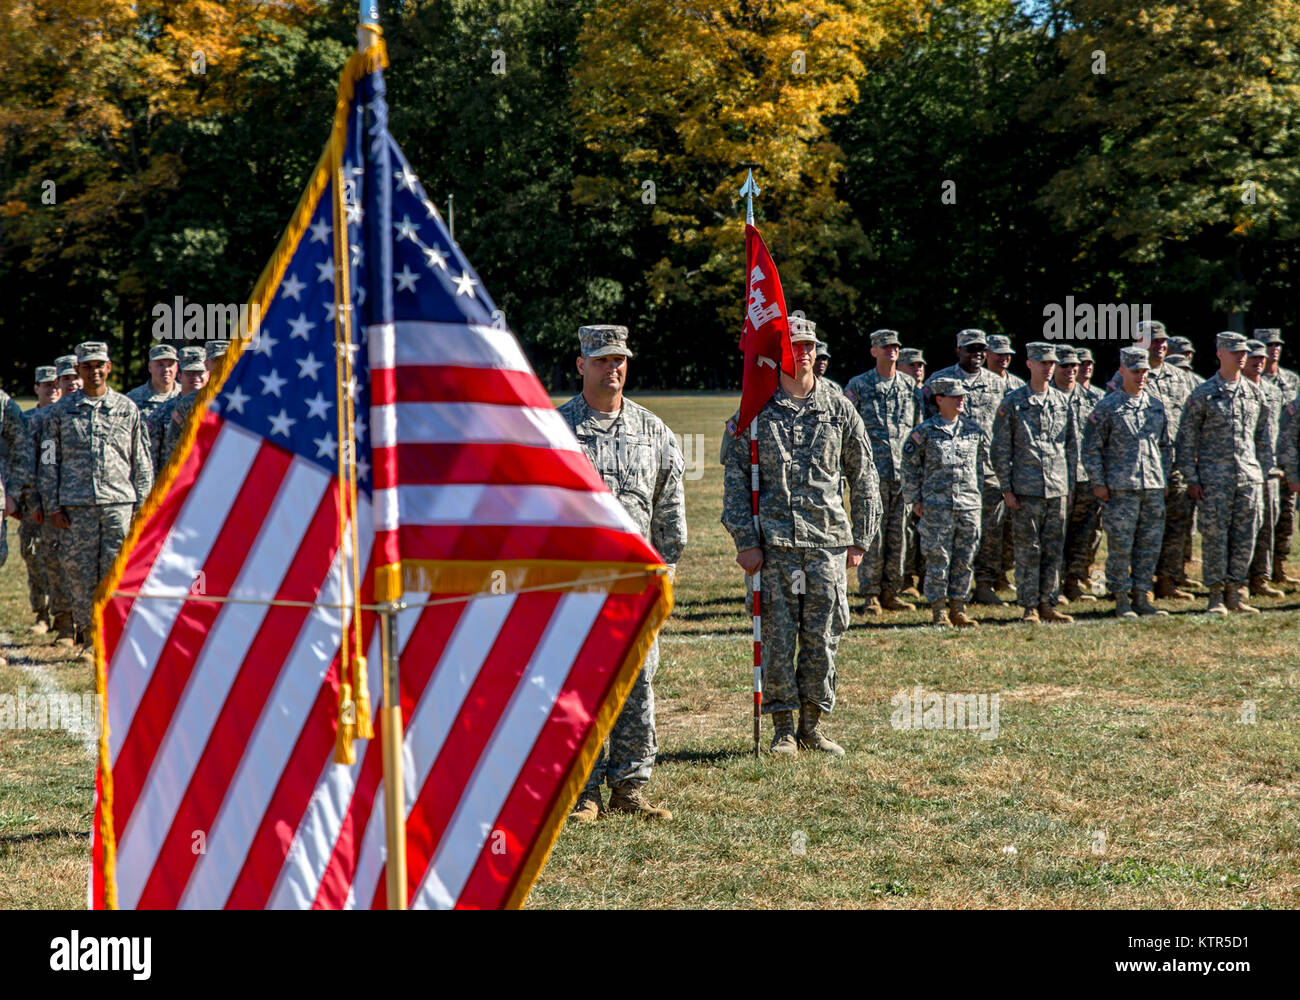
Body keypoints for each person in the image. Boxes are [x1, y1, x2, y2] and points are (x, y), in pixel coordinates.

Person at [722, 316, 879, 756]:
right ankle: (783, 730)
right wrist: (745, 541)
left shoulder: (839, 407)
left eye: (809, 345)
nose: (804, 352)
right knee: (777, 637)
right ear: (779, 354)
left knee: (823, 637)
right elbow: (735, 478)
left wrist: (860, 537)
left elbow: (864, 474)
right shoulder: (756, 409)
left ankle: (813, 725)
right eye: (795, 346)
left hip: (827, 544)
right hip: (773, 547)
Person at [560, 325, 686, 821]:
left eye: (619, 360)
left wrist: (668, 565)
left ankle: (630, 787)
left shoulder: (652, 429)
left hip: (638, 581)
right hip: (578, 583)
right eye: (601, 360)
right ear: (581, 364)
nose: (613, 368)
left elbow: (668, 503)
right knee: (585, 685)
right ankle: (585, 791)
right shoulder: (555, 428)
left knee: (637, 683)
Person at [35, 341, 153, 655]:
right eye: (87, 366)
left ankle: (114, 637)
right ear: (78, 370)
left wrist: (142, 508)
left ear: (109, 367)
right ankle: (88, 637)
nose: (94, 371)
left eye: (99, 364)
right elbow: (48, 461)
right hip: (75, 508)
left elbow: (141, 461)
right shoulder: (60, 412)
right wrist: (53, 504)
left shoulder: (127, 408)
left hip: (118, 505)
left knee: (116, 572)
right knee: (79, 574)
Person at [1176, 332, 1272, 614]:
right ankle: (1216, 595)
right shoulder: (1203, 394)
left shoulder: (1255, 392)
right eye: (1234, 351)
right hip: (1214, 481)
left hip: (1248, 479)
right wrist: (1191, 478)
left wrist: (1263, 474)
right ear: (1220, 354)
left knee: (1245, 538)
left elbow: (1264, 439)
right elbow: (1187, 440)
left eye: (1243, 351)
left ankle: (1235, 593)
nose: (1242, 356)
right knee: (1216, 538)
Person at [1083, 347, 1175, 618]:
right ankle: (1121, 597)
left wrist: (1164, 477)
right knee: (1121, 546)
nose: (1141, 376)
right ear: (1122, 371)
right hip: (1121, 489)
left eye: (1145, 371)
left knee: (1149, 545)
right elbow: (1091, 449)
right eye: (1135, 371)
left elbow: (1166, 446)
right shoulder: (1107, 406)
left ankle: (1142, 596)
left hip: (1152, 488)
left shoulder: (1155, 405)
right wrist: (1099, 483)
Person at [1108, 321, 1196, 600]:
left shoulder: (1179, 376)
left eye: (1162, 341)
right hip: (1138, 466)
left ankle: (1168, 581)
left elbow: (1187, 421)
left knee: (1174, 524)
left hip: (1173, 464)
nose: (1159, 345)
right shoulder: (1123, 378)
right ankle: (1132, 587)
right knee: (1135, 530)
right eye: (1153, 341)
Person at [992, 342, 1078, 623]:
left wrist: (1070, 484)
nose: (1048, 367)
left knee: (1054, 549)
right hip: (1025, 489)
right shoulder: (1013, 402)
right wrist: (1006, 488)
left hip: (1057, 488)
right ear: (1029, 364)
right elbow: (1001, 449)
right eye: (1043, 363)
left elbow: (1071, 446)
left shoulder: (1062, 402)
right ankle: (1029, 605)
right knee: (1028, 549)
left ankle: (1048, 603)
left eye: (1051, 363)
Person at [923, 329, 1008, 605]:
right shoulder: (940, 380)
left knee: (989, 531)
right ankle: (944, 591)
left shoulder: (998, 383)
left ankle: (984, 584)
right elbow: (926, 424)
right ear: (958, 350)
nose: (978, 354)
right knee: (945, 536)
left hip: (988, 469)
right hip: (950, 473)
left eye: (982, 349)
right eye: (971, 349)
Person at [844, 329, 922, 614]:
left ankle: (892, 590)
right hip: (871, 473)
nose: (892, 350)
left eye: (895, 347)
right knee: (871, 535)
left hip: (902, 474)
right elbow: (848, 430)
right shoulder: (860, 385)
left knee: (899, 535)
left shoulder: (909, 386)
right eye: (885, 346)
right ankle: (871, 595)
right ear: (873, 350)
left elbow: (918, 429)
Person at [902, 377, 986, 628]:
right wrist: (914, 499)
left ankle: (958, 608)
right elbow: (908, 465)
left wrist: (977, 496)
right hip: (936, 506)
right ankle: (939, 609)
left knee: (964, 558)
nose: (961, 400)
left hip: (968, 505)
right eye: (955, 396)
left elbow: (981, 467)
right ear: (939, 400)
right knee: (938, 558)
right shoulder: (925, 431)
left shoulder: (973, 430)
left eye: (962, 396)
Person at [1055, 347, 1103, 601]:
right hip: (1056, 479)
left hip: (1086, 478)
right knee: (1056, 534)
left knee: (1082, 534)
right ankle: (1054, 585)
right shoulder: (1047, 398)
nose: (1071, 369)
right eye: (1065, 365)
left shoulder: (1093, 399)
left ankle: (1073, 582)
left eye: (1075, 365)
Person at [18, 366, 62, 634]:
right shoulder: (26, 420)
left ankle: (64, 614)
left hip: (61, 499)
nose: (52, 388)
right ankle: (42, 613)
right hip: (31, 501)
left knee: (61, 558)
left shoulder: (66, 415)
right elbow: (19, 462)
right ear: (36, 388)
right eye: (46, 384)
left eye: (56, 384)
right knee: (33, 555)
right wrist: (25, 499)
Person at [1243, 339, 1286, 598]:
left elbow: (1279, 431)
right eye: (1253, 358)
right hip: (1246, 470)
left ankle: (1261, 578)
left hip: (1269, 471)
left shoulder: (1273, 391)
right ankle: (1238, 580)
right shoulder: (1240, 390)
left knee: (1268, 525)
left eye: (1262, 358)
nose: (1259, 362)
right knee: (1246, 528)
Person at [1258, 328, 1299, 587]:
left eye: (1276, 345)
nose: (1273, 349)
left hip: (1289, 457)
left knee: (1287, 517)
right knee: (1264, 520)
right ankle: (1259, 572)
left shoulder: (1292, 380)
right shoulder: (1251, 380)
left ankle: (1279, 567)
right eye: (1267, 345)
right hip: (1264, 460)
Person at [158, 347, 211, 469]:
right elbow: (154, 455)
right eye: (189, 373)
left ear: (207, 374)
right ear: (179, 376)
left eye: (199, 372)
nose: (195, 377)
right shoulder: (163, 412)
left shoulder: (217, 409)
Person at [126, 343, 181, 421]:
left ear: (176, 368)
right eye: (160, 365)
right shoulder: (132, 399)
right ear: (150, 367)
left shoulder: (185, 396)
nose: (166, 369)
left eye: (170, 365)